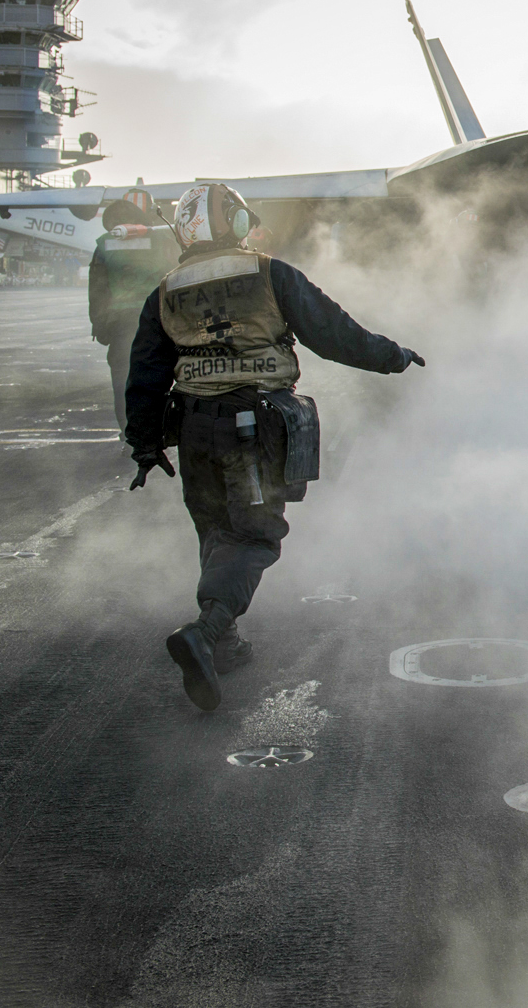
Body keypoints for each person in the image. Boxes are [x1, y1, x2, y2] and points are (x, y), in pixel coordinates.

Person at [124, 183, 425, 711]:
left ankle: (226, 641)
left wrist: (146, 445)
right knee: (255, 537)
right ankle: (206, 629)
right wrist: (394, 357)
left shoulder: (165, 291)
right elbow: (333, 333)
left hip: (193, 426)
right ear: (235, 225)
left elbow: (145, 373)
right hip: (254, 427)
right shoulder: (267, 273)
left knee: (216, 529)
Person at [88, 189, 180, 428]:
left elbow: (97, 290)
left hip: (120, 323)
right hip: (156, 321)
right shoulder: (162, 240)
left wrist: (100, 327)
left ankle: (128, 434)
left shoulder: (104, 244)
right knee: (159, 377)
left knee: (123, 382)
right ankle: (157, 430)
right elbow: (176, 280)